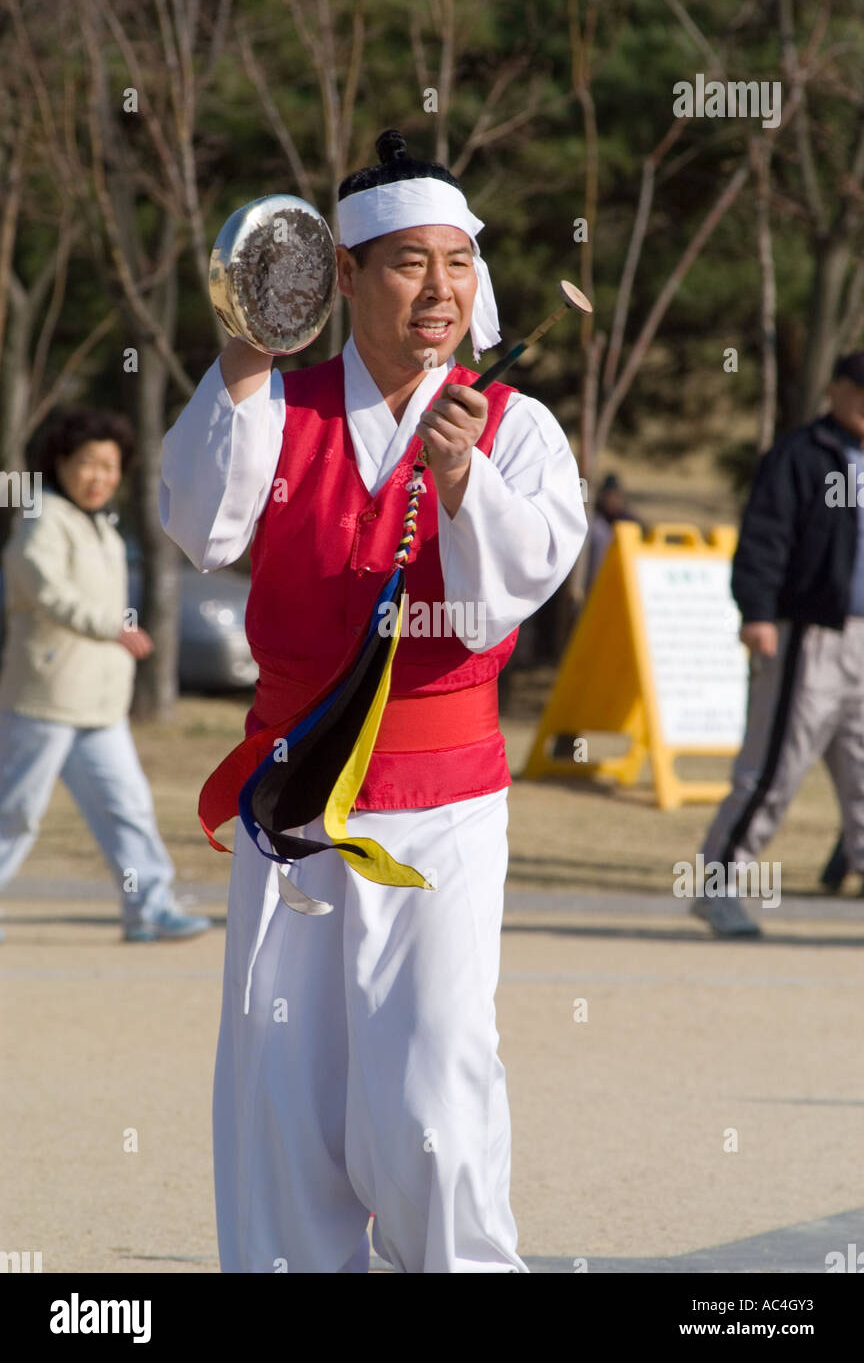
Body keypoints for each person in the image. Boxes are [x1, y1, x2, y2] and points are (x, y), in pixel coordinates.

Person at [159, 129, 587, 1273]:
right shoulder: (278, 402)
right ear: (342, 276)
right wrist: (244, 357)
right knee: (284, 1104)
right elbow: (201, 527)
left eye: (457, 261)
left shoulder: (515, 428)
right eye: (408, 262)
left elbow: (515, 590)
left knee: (433, 1092)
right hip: (296, 801)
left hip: (443, 804)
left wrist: (462, 480)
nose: (440, 288)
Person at [0, 409, 211, 943]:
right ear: (61, 464)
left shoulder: (100, 525)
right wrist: (109, 627)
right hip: (45, 700)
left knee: (129, 808)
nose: (99, 477)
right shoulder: (42, 515)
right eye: (88, 464)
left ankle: (149, 909)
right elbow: (44, 589)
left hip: (99, 705)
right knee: (15, 811)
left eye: (110, 467)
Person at [692, 352, 864, 938]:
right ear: (837, 390)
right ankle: (716, 885)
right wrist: (759, 613)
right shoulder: (802, 454)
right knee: (774, 768)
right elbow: (764, 537)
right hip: (810, 632)